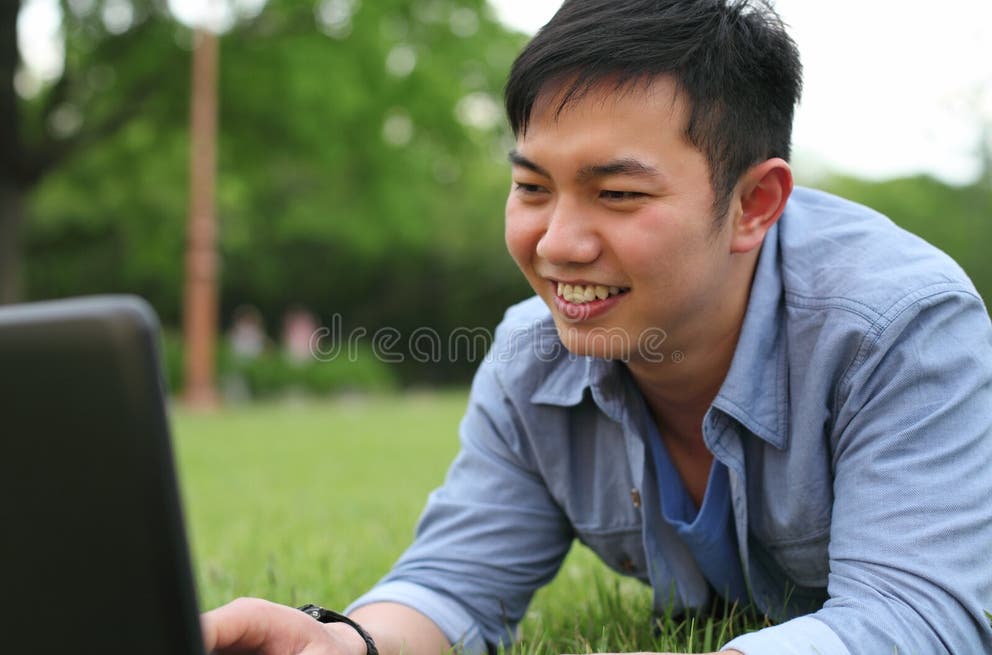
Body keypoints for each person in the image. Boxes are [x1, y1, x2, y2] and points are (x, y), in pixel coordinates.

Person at [201, 1, 992, 653]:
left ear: (754, 204)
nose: (556, 243)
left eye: (616, 195)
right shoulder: (532, 354)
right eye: (532, 186)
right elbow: (452, 584)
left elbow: (921, 615)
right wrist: (342, 644)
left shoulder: (898, 326)